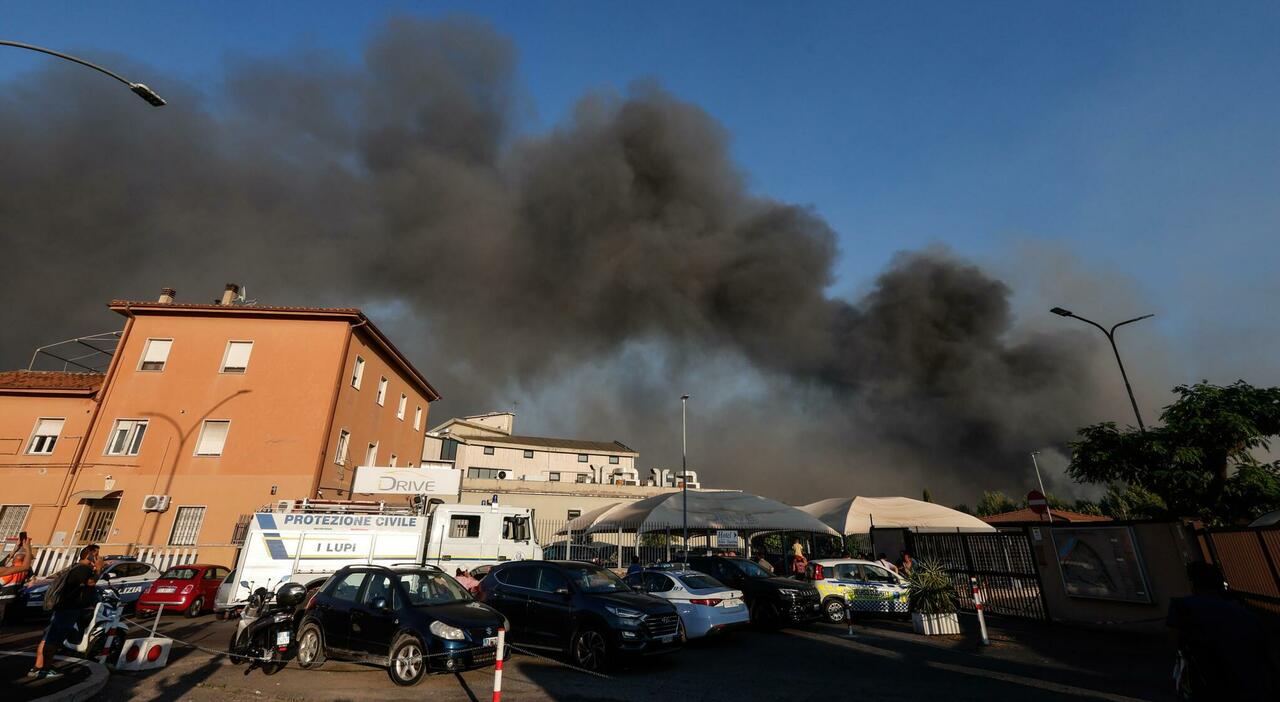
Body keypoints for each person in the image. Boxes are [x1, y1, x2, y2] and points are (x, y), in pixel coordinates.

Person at [1168, 561, 1275, 701]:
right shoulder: (1246, 613)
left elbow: (1174, 644)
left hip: (1210, 685)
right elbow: (1264, 651)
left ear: (1193, 583)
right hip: (1252, 685)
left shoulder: (1183, 608)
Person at [30, 544, 99, 679]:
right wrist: (99, 568)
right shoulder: (84, 570)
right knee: (54, 640)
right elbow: (91, 583)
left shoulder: (74, 567)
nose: (98, 557)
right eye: (96, 554)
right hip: (69, 610)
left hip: (62, 608)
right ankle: (44, 669)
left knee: (48, 637)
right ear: (89, 555)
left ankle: (38, 666)